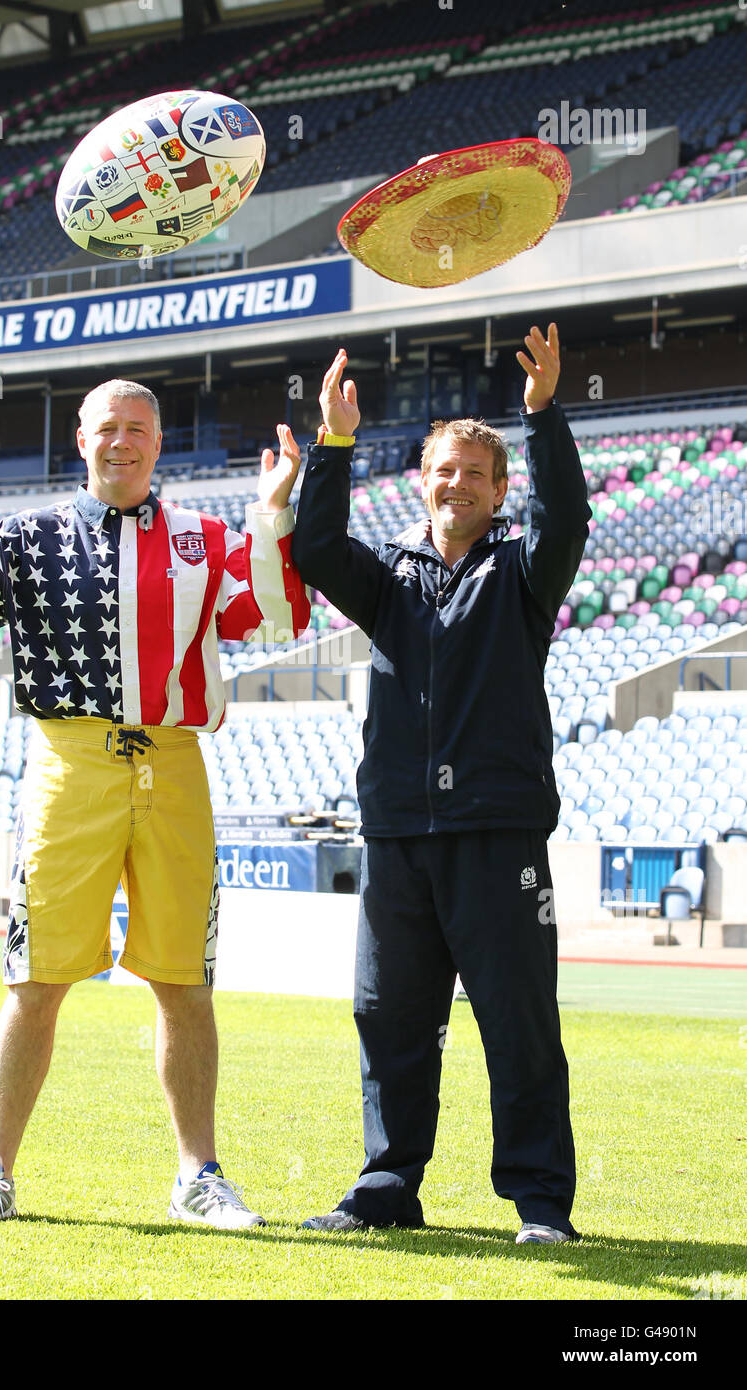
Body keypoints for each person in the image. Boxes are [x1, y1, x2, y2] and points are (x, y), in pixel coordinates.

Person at [0, 379, 309, 1229]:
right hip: (70, 766)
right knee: (35, 978)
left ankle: (199, 1175)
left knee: (184, 980)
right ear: (80, 439)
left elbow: (281, 616)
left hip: (175, 765)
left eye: (138, 428)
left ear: (158, 442)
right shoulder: (30, 537)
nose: (123, 441)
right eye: (107, 426)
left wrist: (271, 514)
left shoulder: (203, 539)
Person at [291, 327, 591, 1244]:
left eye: (473, 472)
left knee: (519, 1023)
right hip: (396, 837)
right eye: (441, 470)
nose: (454, 483)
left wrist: (541, 419)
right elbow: (313, 547)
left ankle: (540, 1204)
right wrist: (334, 447)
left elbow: (567, 519)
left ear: (498, 491)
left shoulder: (523, 575)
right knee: (390, 1019)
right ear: (421, 481)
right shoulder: (386, 576)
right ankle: (387, 1187)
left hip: (497, 832)